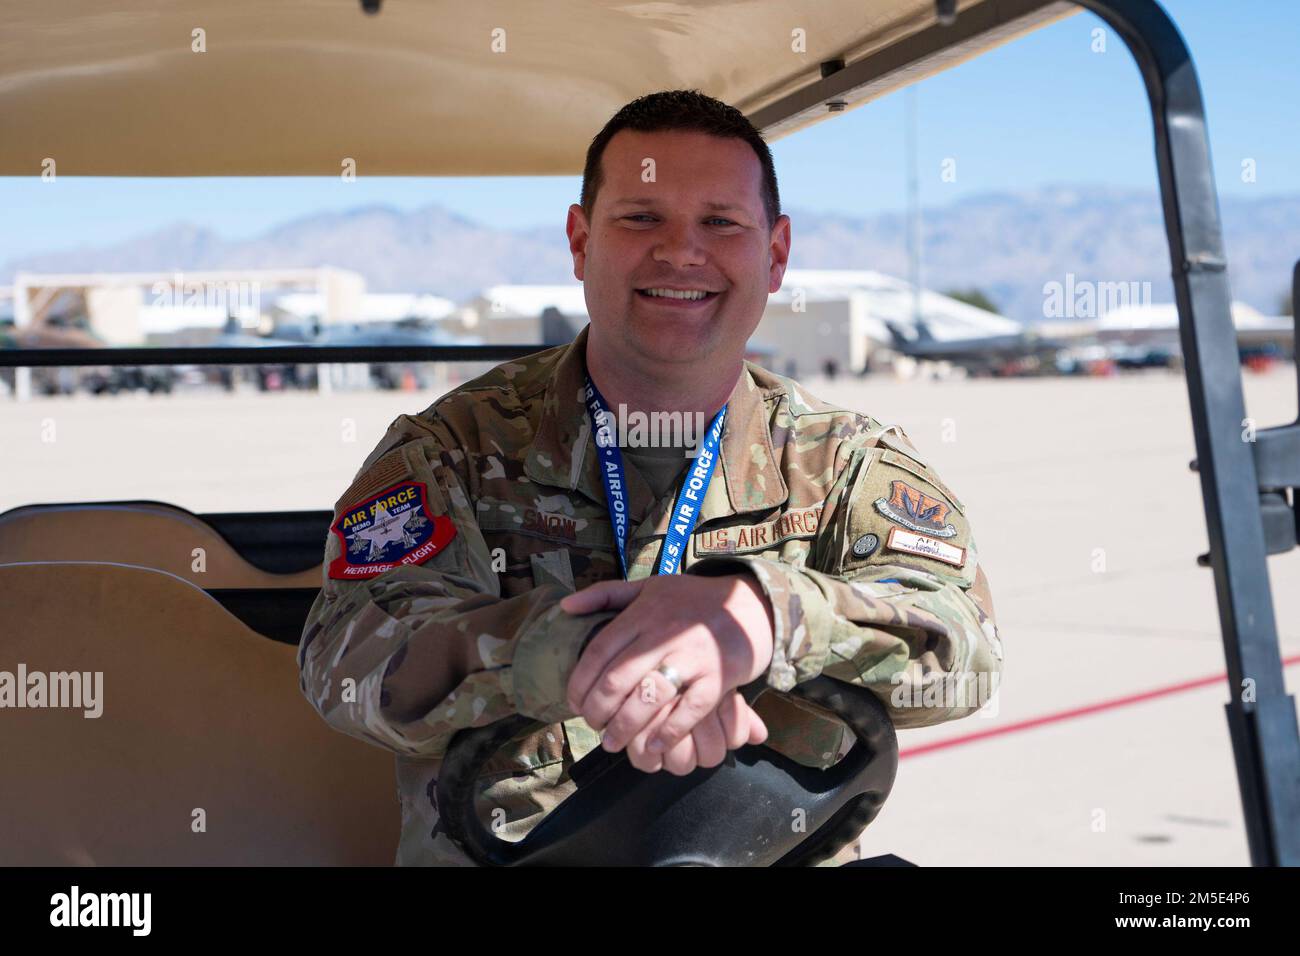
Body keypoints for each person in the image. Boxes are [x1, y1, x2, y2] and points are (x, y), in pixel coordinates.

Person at [297, 89, 1003, 866]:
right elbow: (346, 661)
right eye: (641, 218)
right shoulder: (455, 449)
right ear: (579, 241)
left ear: (775, 255)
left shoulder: (841, 463)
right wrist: (576, 651)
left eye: (720, 222)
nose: (680, 252)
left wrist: (765, 618)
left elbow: (965, 650)